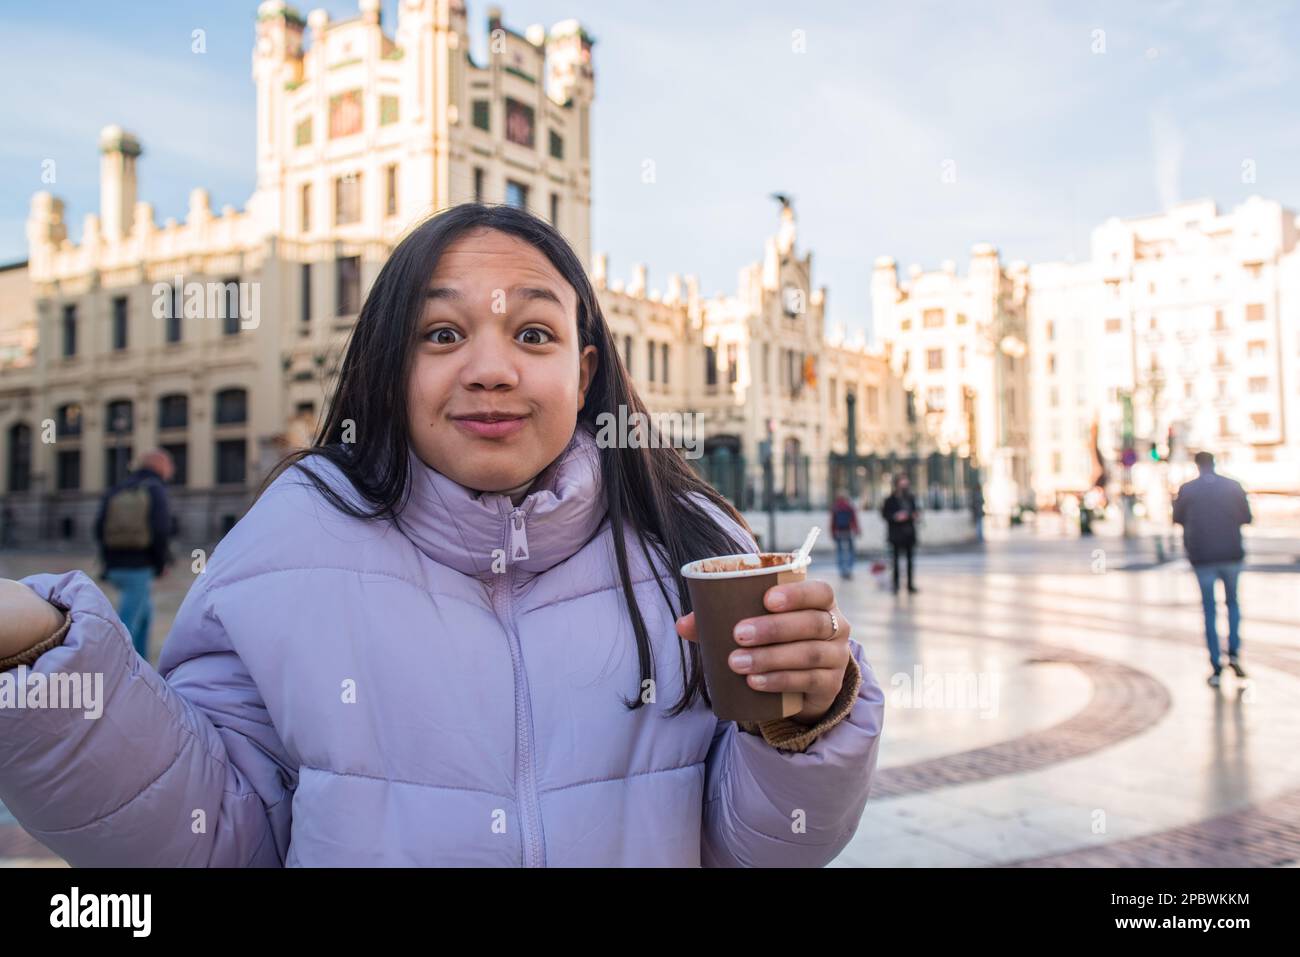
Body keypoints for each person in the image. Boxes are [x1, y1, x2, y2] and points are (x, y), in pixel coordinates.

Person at [0, 203, 884, 867]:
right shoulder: (291, 546)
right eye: (442, 332)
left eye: (532, 332)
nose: (491, 369)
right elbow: (214, 831)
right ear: (391, 364)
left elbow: (759, 848)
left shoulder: (689, 542)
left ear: (584, 372)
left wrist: (804, 721)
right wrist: (37, 659)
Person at [1172, 451, 1252, 688]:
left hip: (1203, 557)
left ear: (1197, 466)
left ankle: (1216, 664)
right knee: (1233, 604)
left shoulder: (1188, 490)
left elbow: (1177, 518)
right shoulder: (1233, 486)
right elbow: (1246, 517)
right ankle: (1234, 654)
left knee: (1209, 609)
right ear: (1214, 463)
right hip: (1231, 555)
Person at [93, 448, 175, 661]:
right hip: (139, 566)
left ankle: (140, 665)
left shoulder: (119, 488)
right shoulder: (155, 489)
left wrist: (107, 560)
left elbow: (99, 526)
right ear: (160, 465)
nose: (172, 470)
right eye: (170, 465)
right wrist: (161, 563)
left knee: (144, 616)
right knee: (126, 624)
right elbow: (161, 530)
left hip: (115, 565)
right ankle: (113, 667)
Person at [881, 473, 919, 594]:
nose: (904, 484)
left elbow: (915, 512)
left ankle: (910, 585)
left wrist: (913, 516)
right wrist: (895, 517)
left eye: (906, 481)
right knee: (895, 560)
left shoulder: (910, 498)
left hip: (909, 532)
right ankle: (896, 584)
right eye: (902, 481)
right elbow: (885, 514)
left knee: (910, 560)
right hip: (896, 533)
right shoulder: (890, 499)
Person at [829, 487, 859, 579]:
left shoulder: (835, 507)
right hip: (848, 531)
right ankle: (849, 569)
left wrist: (832, 532)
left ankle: (842, 570)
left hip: (838, 532)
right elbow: (854, 519)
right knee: (850, 551)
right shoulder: (849, 506)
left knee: (840, 551)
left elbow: (832, 522)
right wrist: (856, 530)